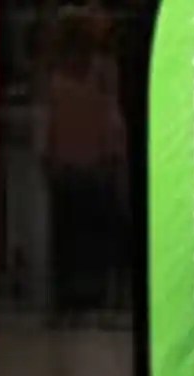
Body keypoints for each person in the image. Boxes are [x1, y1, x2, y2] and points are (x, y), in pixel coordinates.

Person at [43, 6, 130, 328]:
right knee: (88, 231)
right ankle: (89, 297)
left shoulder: (64, 73)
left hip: (75, 157)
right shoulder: (100, 70)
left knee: (75, 233)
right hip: (88, 157)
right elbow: (110, 114)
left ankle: (76, 299)